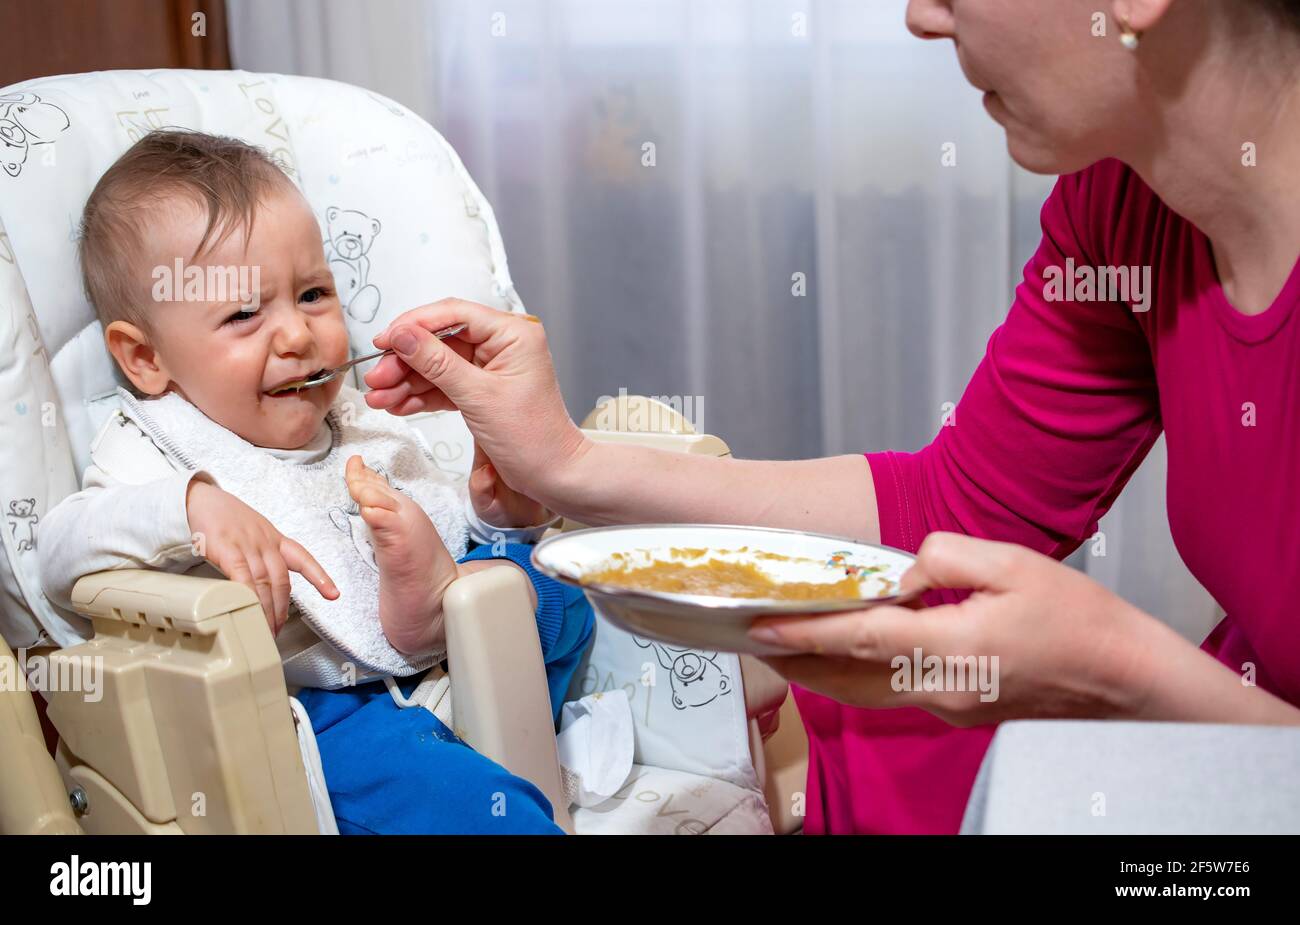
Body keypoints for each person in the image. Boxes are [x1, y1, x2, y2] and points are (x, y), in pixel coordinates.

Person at [360, 0, 1300, 834]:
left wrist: (1123, 678)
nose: (920, 18)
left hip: (1244, 757)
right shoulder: (1122, 203)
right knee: (882, 720)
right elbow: (960, 499)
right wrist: (565, 462)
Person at [39, 129, 594, 834]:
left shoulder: (356, 419)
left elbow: (455, 523)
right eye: (243, 313)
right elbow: (57, 552)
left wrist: (497, 521)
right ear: (145, 357)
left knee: (558, 591)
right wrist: (192, 506)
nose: (297, 335)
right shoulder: (157, 446)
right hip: (323, 708)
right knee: (470, 805)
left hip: (440, 665)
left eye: (312, 293)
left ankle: (444, 630)